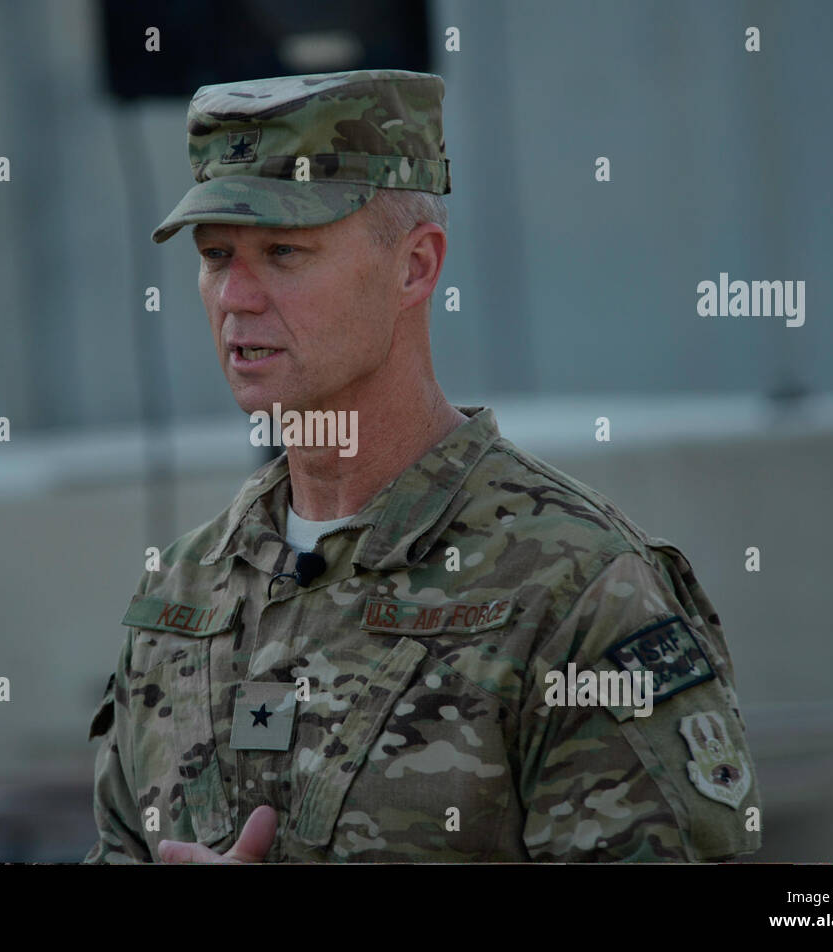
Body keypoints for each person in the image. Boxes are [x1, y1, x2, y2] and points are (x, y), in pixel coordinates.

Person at [84, 69, 761, 863]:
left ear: (414, 267)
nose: (235, 293)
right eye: (215, 254)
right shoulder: (182, 594)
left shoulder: (578, 593)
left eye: (283, 251)